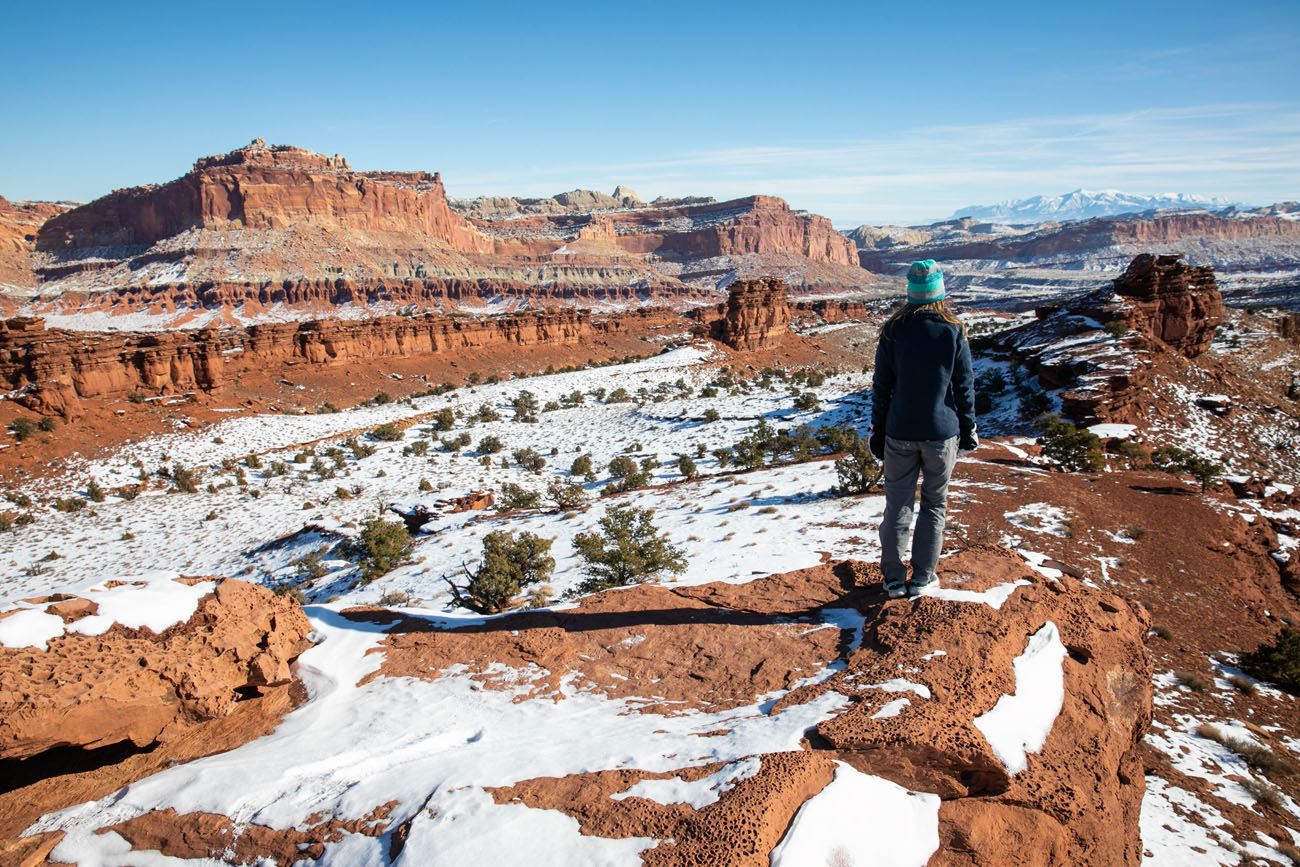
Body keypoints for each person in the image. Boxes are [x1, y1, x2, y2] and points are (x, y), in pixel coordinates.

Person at [869, 259, 977, 599]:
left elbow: (881, 386)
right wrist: (969, 426)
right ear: (940, 292)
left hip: (899, 431)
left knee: (898, 504)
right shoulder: (953, 330)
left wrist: (878, 429)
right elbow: (964, 385)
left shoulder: (893, 330)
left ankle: (893, 579)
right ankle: (923, 577)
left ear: (911, 293)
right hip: (941, 433)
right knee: (934, 504)